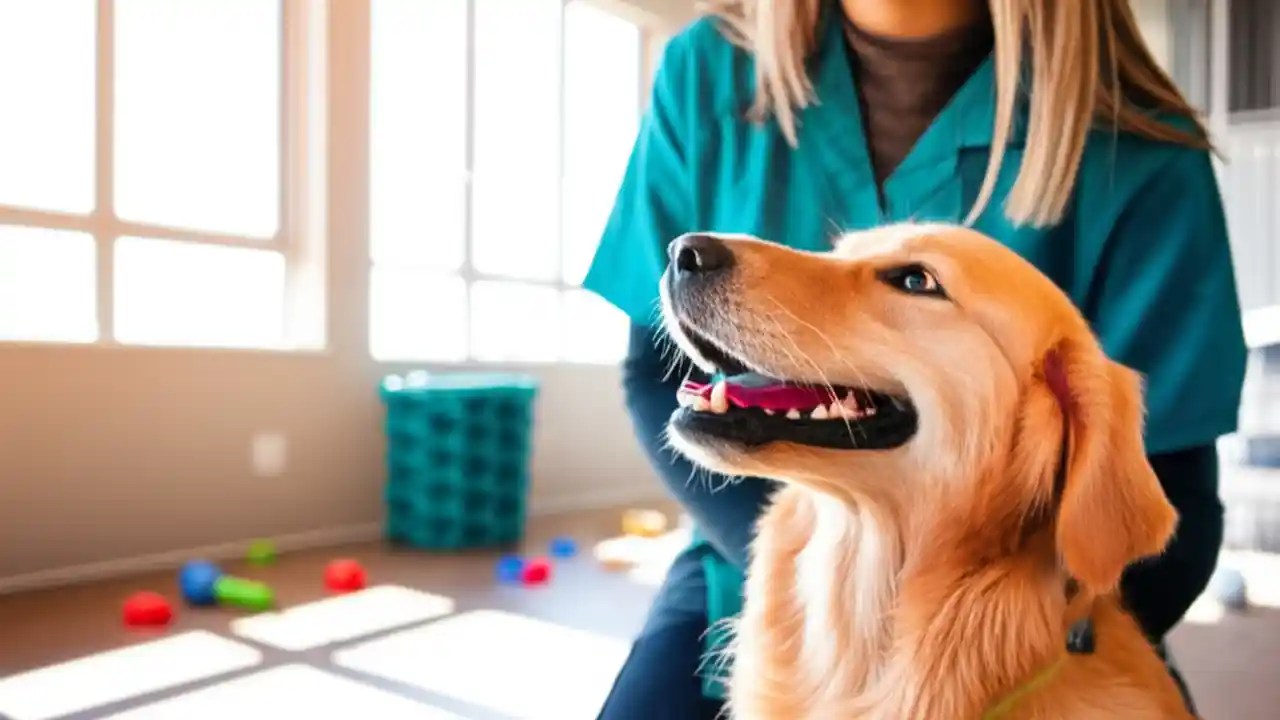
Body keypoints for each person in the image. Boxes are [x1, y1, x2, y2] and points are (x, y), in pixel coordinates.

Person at [583, 1, 1247, 718]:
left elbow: (1164, 498)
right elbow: (660, 373)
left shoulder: (1144, 145)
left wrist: (967, 645)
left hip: (1043, 600)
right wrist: (819, 594)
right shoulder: (708, 68)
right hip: (750, 548)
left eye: (911, 281)